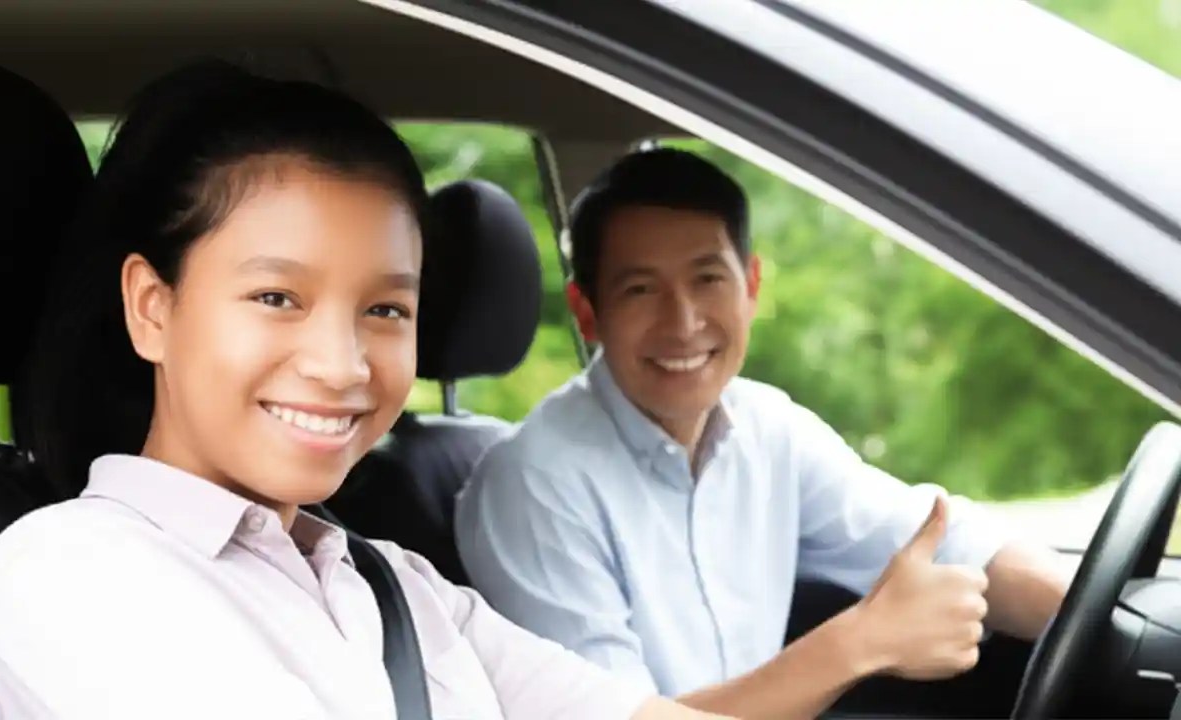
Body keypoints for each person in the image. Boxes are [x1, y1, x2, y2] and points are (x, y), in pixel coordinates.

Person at [0, 63, 732, 720]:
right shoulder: (70, 575)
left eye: (386, 310)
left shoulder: (394, 582)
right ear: (152, 308)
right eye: (276, 298)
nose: (343, 365)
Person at [455, 148, 1073, 719]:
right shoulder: (532, 486)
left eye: (707, 279)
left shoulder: (767, 430)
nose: (685, 322)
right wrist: (861, 642)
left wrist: (1100, 616)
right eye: (640, 289)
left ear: (750, 286)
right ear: (588, 313)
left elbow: (947, 540)